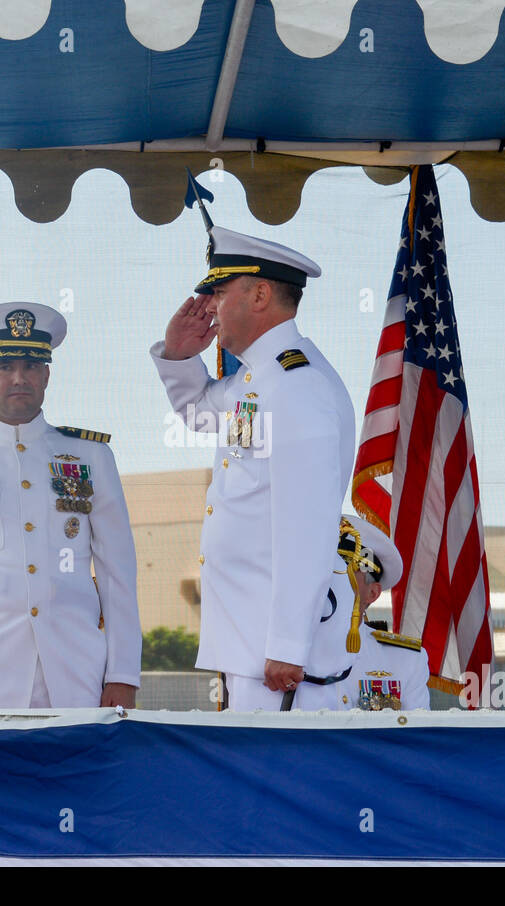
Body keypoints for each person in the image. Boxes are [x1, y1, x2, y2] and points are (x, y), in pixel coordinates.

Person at [151, 225, 356, 711]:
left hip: (282, 663)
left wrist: (286, 644)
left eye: (219, 293)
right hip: (252, 647)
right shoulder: (258, 380)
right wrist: (179, 353)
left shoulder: (296, 385)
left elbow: (306, 525)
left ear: (261, 294)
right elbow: (198, 412)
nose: (210, 308)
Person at [0, 302, 141, 708]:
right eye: (4, 366)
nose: (19, 377)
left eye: (32, 366)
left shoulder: (90, 456)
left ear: (47, 374)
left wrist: (122, 674)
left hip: (77, 671)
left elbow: (116, 571)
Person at [294, 515, 432, 711]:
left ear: (373, 593)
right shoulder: (284, 649)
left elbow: (414, 737)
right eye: (326, 571)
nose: (331, 583)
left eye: (345, 573)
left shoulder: (405, 659)